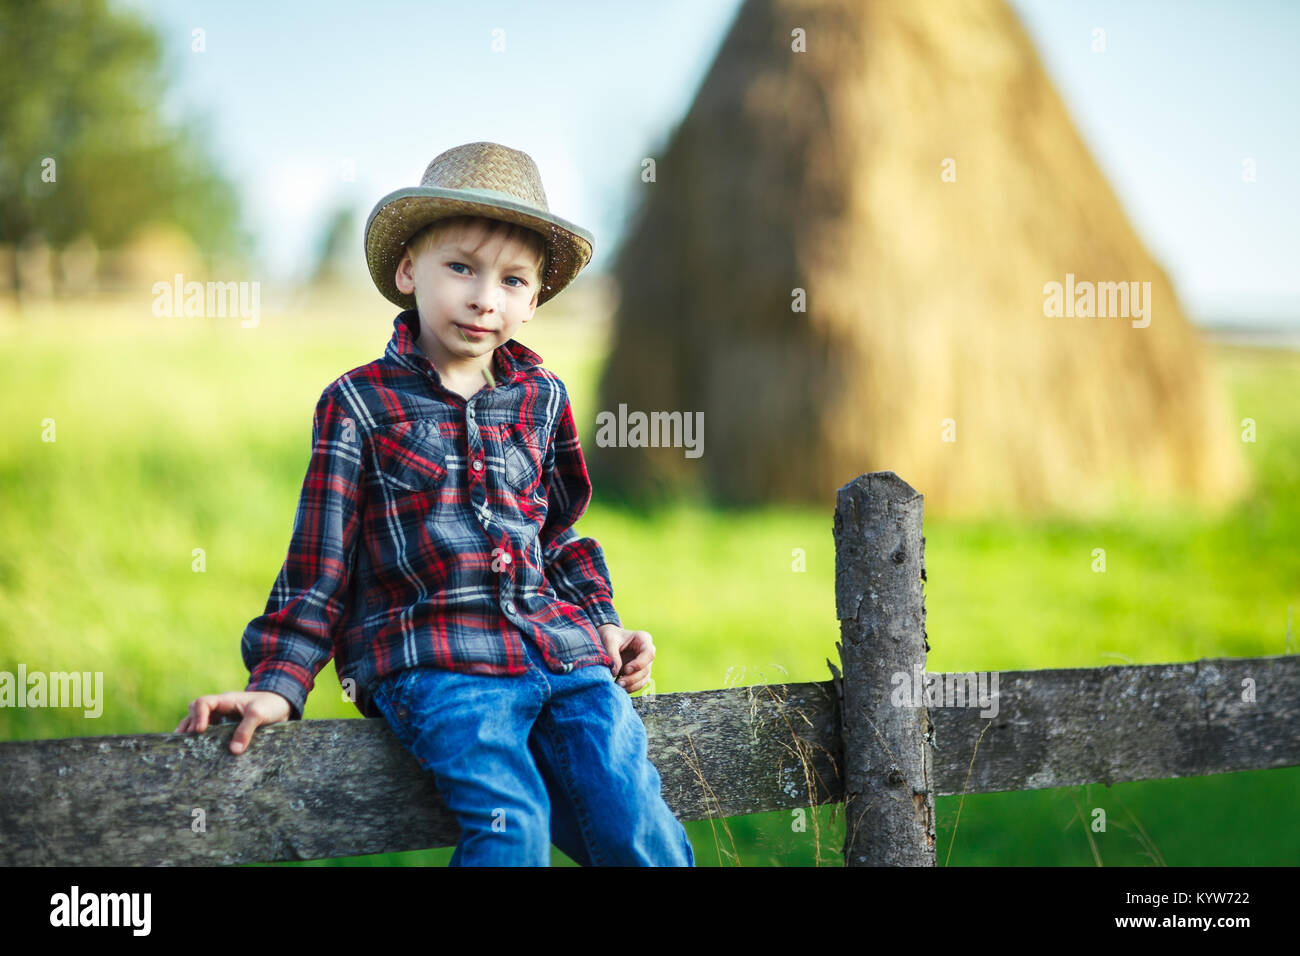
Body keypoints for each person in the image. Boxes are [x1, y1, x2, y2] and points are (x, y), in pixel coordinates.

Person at [176, 142, 694, 867]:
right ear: (408, 269)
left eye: (513, 280)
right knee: (510, 825)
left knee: (634, 826)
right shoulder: (358, 404)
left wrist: (604, 622)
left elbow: (559, 532)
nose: (486, 297)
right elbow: (320, 567)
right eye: (461, 268)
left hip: (562, 651)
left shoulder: (541, 399)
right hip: (439, 658)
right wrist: (277, 686)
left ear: (535, 298)